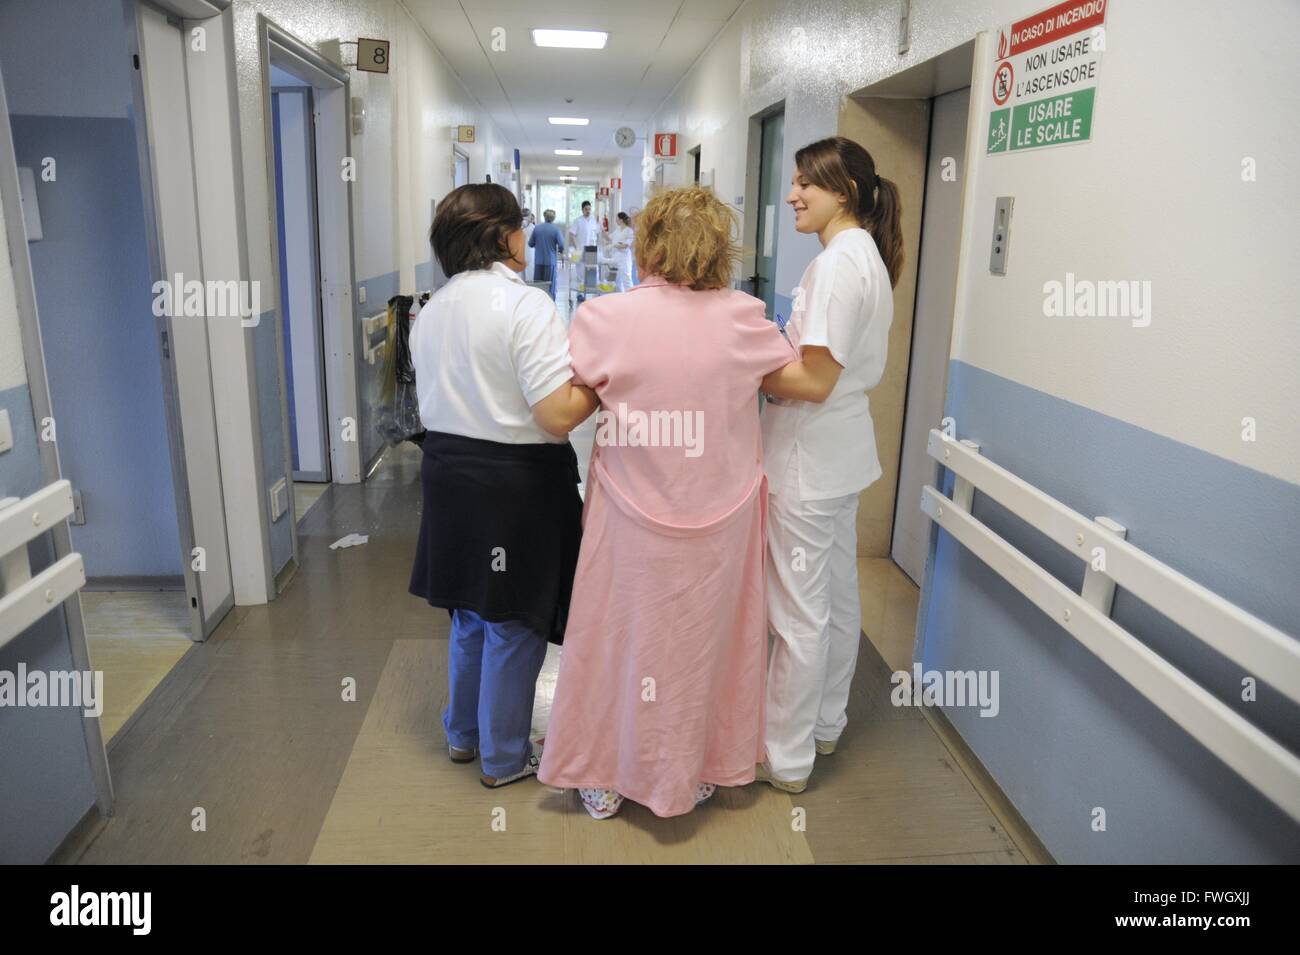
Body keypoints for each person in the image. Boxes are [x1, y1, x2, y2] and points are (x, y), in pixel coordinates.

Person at [537, 186, 798, 819]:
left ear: (649, 243)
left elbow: (560, 413)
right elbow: (796, 385)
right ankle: (697, 766)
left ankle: (601, 772)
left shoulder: (605, 319)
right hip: (720, 521)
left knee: (615, 640)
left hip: (630, 518)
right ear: (718, 249)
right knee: (704, 644)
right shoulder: (746, 318)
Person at [408, 183, 598, 789]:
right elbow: (557, 415)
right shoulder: (526, 306)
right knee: (515, 621)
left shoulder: (431, 309)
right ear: (503, 237)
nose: (524, 235)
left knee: (469, 611)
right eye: (519, 226)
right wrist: (601, 382)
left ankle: (463, 736)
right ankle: (505, 757)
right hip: (513, 486)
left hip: (447, 475)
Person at [755, 136, 904, 793]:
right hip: (839, 457)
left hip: (811, 461)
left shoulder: (840, 265)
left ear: (842, 191)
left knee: (800, 612)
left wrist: (751, 370)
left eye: (804, 184)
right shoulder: (863, 256)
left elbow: (812, 379)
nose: (792, 194)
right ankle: (824, 723)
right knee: (837, 599)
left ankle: (785, 758)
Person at [528, 208, 565, 300]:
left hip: (538, 261)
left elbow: (530, 244)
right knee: (550, 285)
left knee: (538, 285)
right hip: (550, 261)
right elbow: (561, 245)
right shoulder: (556, 230)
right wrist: (560, 251)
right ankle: (550, 302)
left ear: (544, 217)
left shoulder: (537, 228)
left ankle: (538, 302)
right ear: (553, 218)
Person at [606, 211, 635, 292]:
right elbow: (609, 238)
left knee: (626, 279)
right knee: (617, 281)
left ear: (621, 220)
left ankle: (631, 298)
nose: (616, 220)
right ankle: (621, 298)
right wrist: (601, 228)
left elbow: (626, 245)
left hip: (624, 259)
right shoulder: (618, 229)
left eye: (617, 219)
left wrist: (614, 245)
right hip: (616, 258)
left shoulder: (629, 231)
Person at [521, 207, 536, 281]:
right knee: (530, 268)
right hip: (530, 250)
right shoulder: (532, 227)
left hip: (520, 249)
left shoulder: (518, 224)